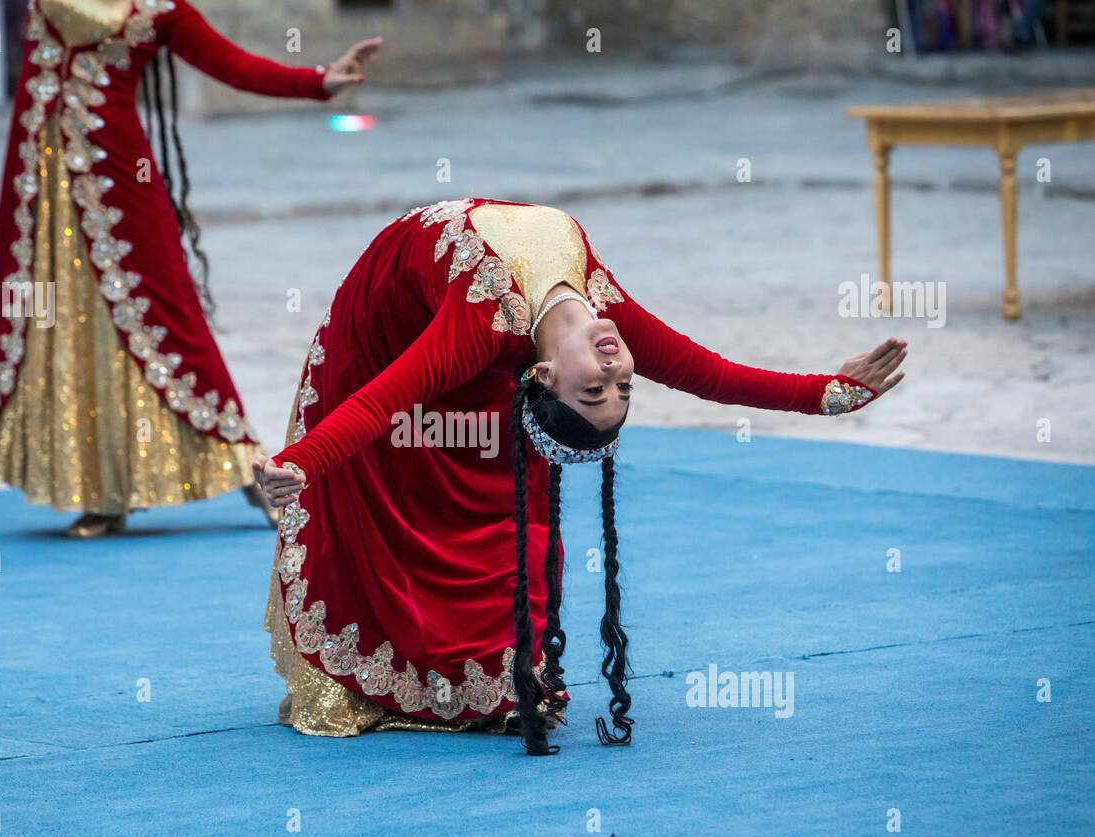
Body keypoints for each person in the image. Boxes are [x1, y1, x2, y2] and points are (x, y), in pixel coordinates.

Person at [254, 198, 907, 755]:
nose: (616, 370)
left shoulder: (483, 327)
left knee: (488, 504)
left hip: (402, 350)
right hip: (386, 320)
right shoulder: (601, 317)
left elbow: (374, 403)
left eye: (598, 391)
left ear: (543, 379)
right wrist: (832, 391)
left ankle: (469, 669)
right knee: (405, 485)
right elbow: (713, 374)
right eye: (623, 387)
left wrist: (292, 466)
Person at [0, 0, 380, 536]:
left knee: (166, 318)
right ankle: (101, 488)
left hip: (117, 185)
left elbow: (231, 65)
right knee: (63, 324)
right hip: (40, 192)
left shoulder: (160, 10)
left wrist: (317, 80)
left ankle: (248, 465)